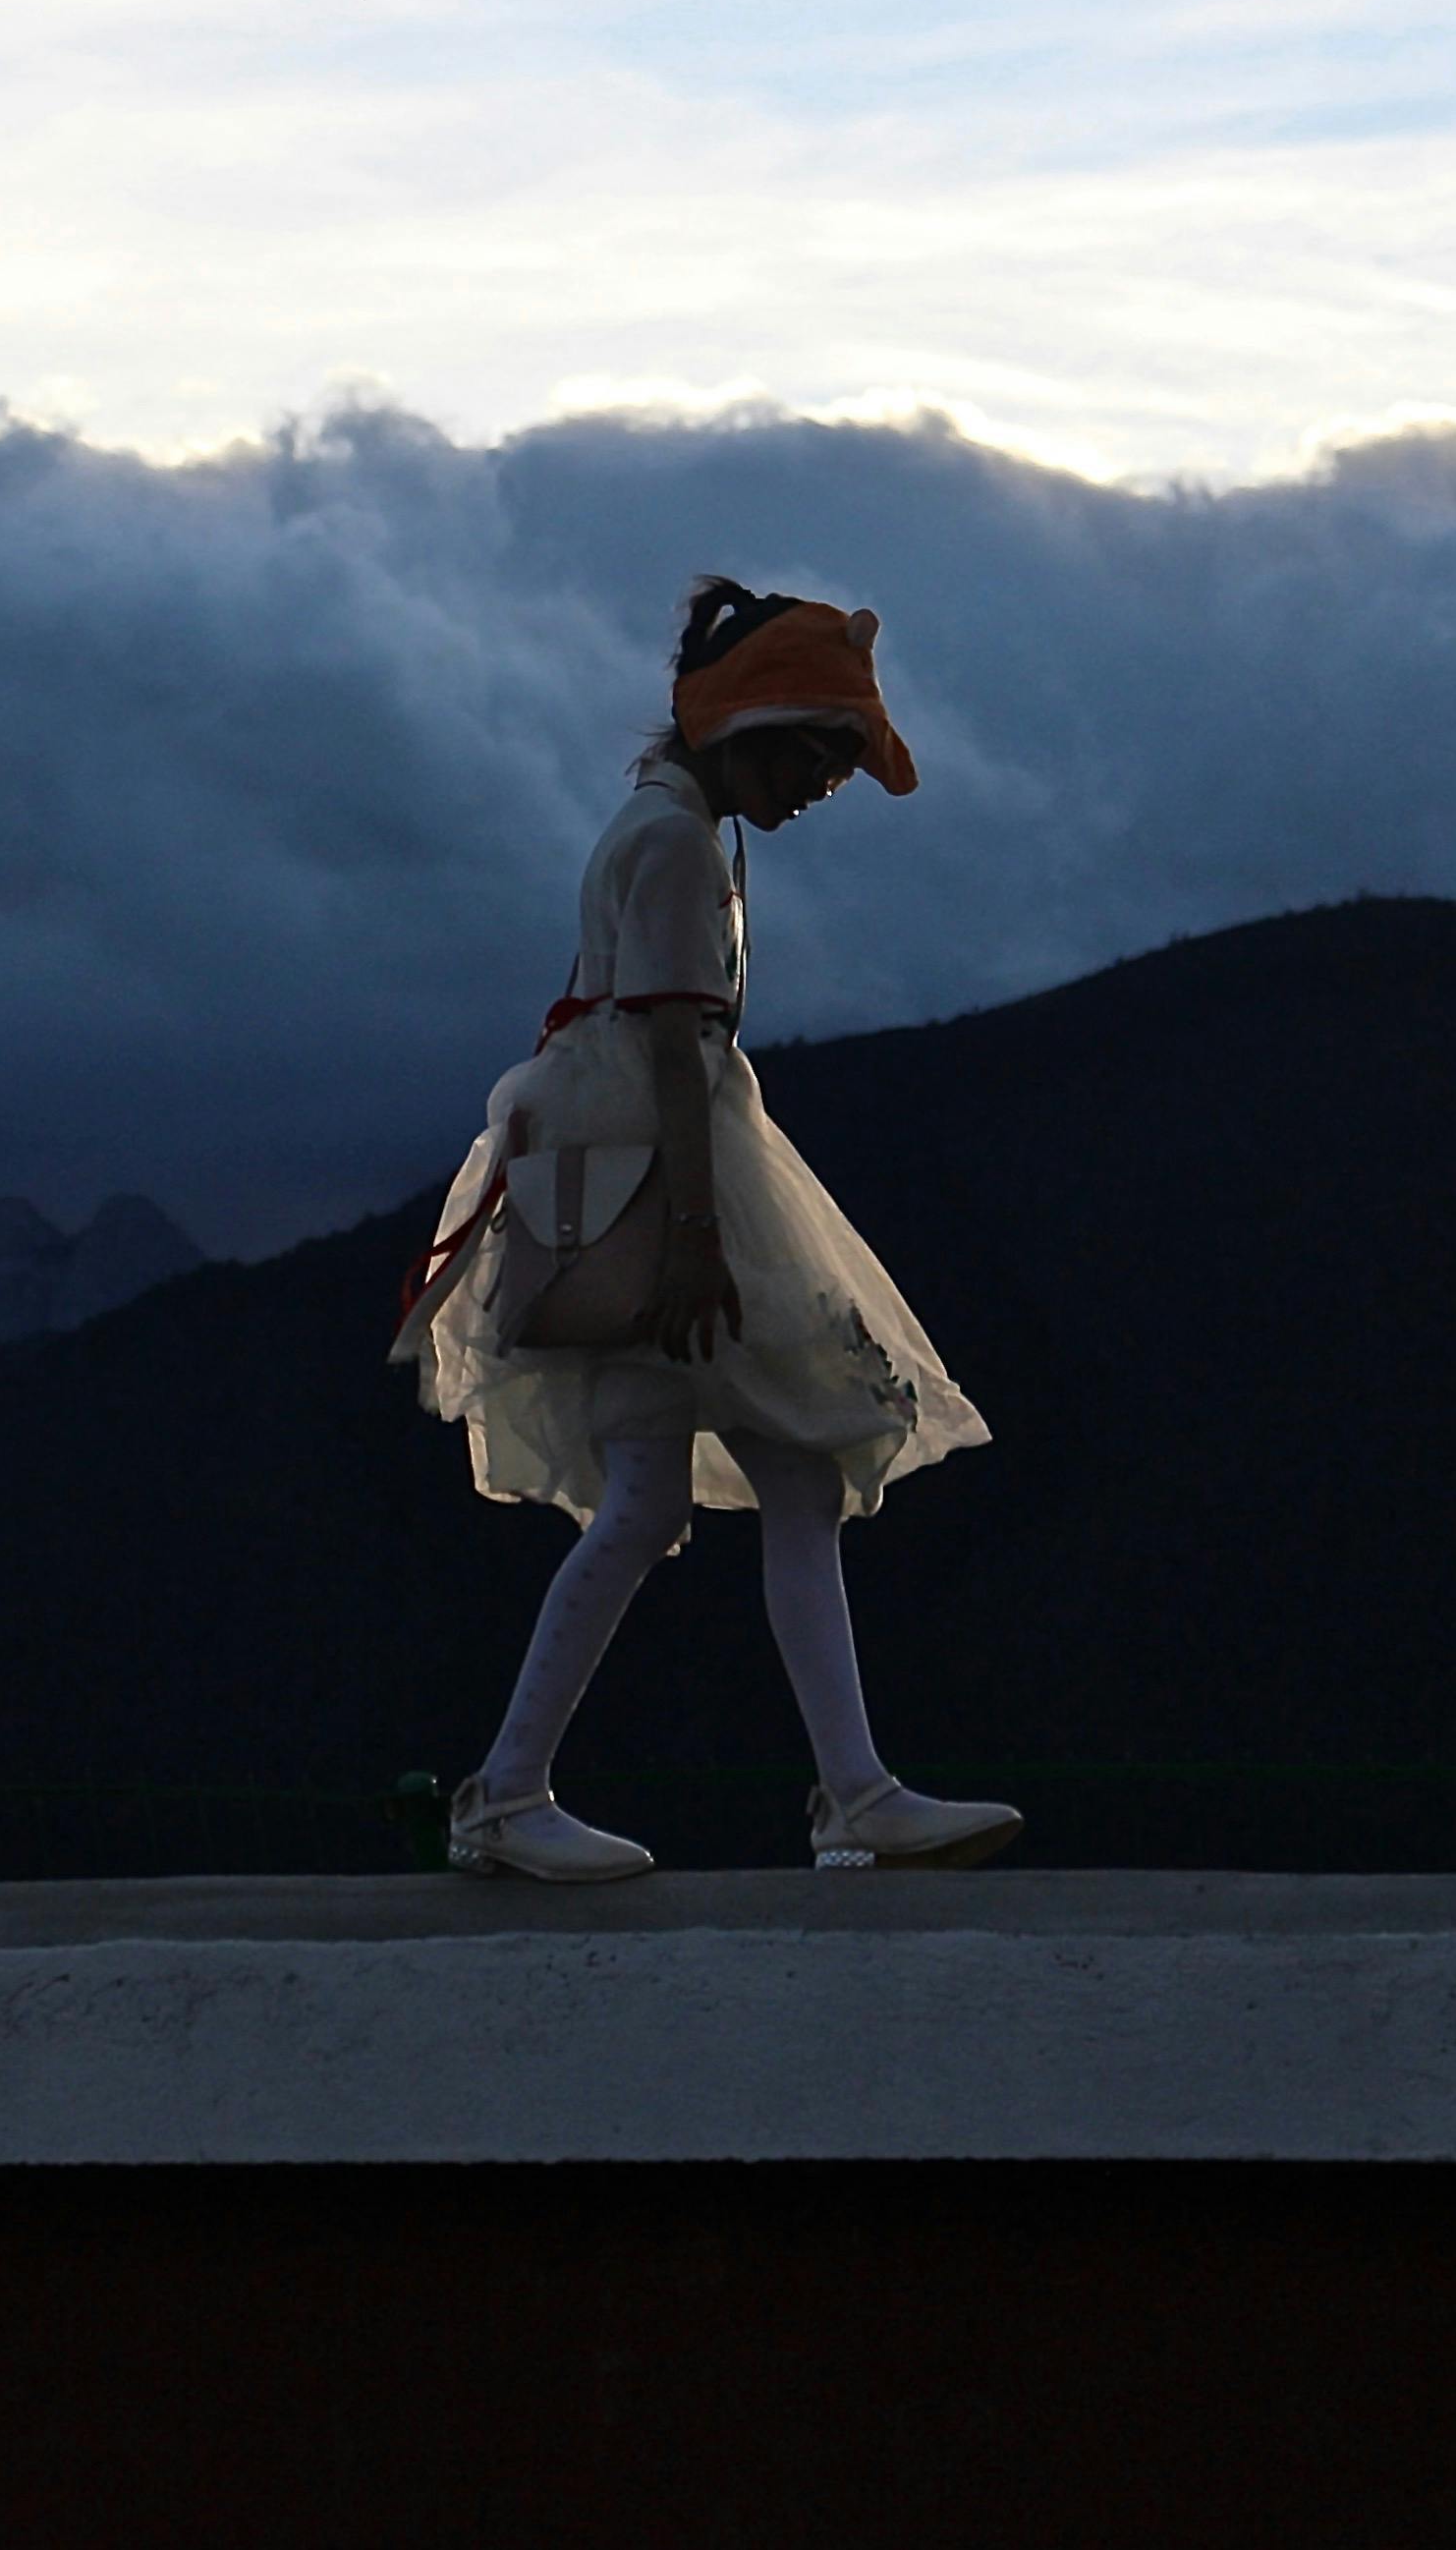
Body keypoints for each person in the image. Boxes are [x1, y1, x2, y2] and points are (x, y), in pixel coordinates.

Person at [390, 578, 1016, 1879]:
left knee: (739, 1483)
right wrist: (691, 1231)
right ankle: (525, 1792)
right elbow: (673, 1042)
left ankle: (827, 1789)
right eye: (818, 759)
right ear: (756, 729)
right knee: (669, 1496)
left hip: (625, 1151)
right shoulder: (673, 841)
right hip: (661, 1165)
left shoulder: (670, 826)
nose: (820, 789)